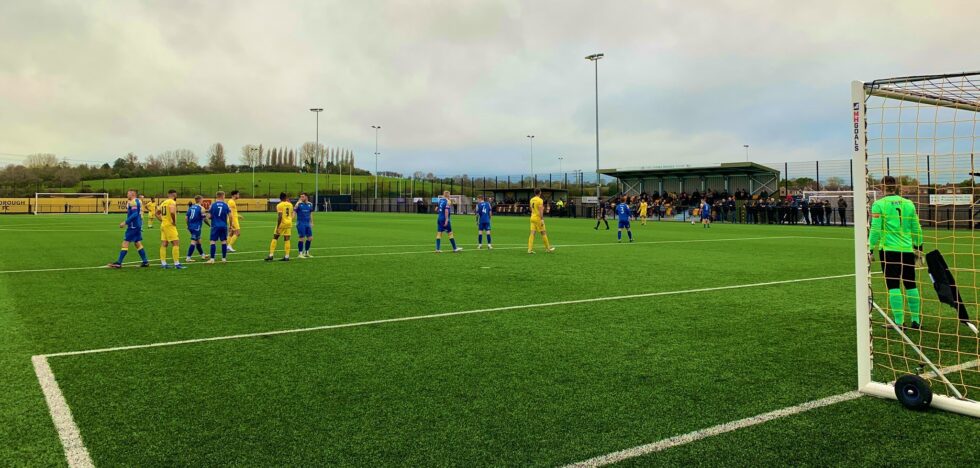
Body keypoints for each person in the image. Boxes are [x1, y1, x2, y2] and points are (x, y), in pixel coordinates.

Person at [870, 176, 924, 329]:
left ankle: (899, 322)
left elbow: (875, 229)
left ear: (882, 187)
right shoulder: (909, 203)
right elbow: (916, 228)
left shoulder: (879, 204)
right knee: (910, 283)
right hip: (907, 250)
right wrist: (919, 249)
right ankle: (916, 321)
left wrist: (870, 248)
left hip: (889, 251)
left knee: (893, 285)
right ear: (896, 186)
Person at [107, 189, 150, 268]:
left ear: (132, 194)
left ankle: (118, 263)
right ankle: (145, 261)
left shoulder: (133, 202)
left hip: (133, 225)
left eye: (128, 194)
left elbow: (135, 214)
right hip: (138, 225)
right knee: (137, 243)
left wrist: (125, 222)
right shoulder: (137, 201)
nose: (127, 195)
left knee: (125, 242)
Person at [155, 189, 184, 269]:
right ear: (174, 194)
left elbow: (156, 213)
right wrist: (174, 221)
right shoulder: (172, 202)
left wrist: (162, 220)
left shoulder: (164, 202)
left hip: (163, 225)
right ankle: (177, 264)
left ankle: (163, 263)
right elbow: (171, 212)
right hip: (169, 225)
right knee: (176, 243)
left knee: (164, 243)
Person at [266, 192, 294, 261]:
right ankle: (287, 256)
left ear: (280, 198)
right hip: (289, 223)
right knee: (287, 239)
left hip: (282, 223)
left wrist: (278, 227)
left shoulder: (279, 205)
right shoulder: (290, 205)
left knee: (275, 237)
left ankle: (271, 255)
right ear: (286, 197)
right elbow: (291, 214)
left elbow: (280, 216)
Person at [206, 191, 231, 264]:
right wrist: (231, 225)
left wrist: (211, 217)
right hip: (223, 226)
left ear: (217, 196)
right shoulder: (226, 205)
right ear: (222, 196)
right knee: (223, 241)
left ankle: (212, 259)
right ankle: (223, 259)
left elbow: (209, 216)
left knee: (213, 242)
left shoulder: (212, 205)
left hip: (215, 226)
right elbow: (230, 216)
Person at [528, 188, 555, 254]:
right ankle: (548, 249)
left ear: (535, 193)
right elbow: (541, 211)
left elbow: (531, 209)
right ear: (540, 192)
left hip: (532, 217)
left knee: (532, 233)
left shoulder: (531, 199)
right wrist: (542, 219)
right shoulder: (540, 200)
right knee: (543, 232)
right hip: (538, 218)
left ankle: (529, 250)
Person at [185, 196, 209, 263]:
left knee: (198, 241)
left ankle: (202, 255)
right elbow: (204, 219)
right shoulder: (201, 208)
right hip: (196, 227)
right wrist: (210, 225)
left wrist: (188, 226)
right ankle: (188, 258)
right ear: (200, 200)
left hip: (191, 227)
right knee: (193, 242)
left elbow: (186, 218)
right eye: (202, 200)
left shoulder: (191, 207)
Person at [294, 192, 314, 258]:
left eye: (302, 196)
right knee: (302, 238)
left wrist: (311, 222)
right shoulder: (299, 204)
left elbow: (311, 214)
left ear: (306, 197)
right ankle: (300, 254)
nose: (301, 198)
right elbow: (294, 213)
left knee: (310, 238)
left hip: (307, 223)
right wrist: (296, 204)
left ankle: (306, 252)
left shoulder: (310, 204)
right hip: (300, 223)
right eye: (300, 196)